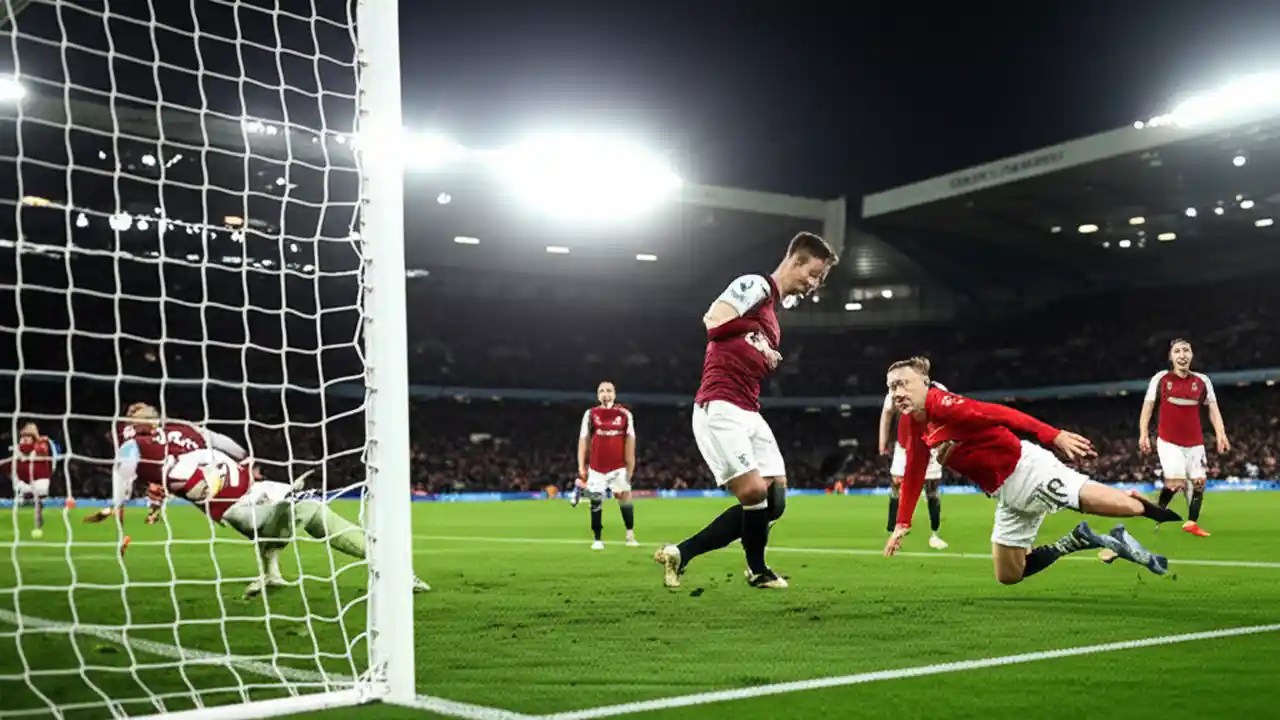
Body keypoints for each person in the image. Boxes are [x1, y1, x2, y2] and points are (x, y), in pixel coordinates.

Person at [883, 358, 1181, 584]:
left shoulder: (944, 405)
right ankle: (1077, 539)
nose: (897, 392)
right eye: (891, 386)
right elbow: (914, 469)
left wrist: (1054, 435)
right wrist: (902, 522)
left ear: (925, 382)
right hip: (1006, 493)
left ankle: (1137, 504)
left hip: (1027, 470)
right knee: (1009, 574)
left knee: (1121, 506)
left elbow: (1003, 413)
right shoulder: (911, 422)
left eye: (903, 383)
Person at [88, 402, 430, 597]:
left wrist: (245, 459)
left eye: (143, 407)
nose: (138, 410)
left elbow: (217, 438)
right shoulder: (135, 443)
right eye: (132, 410)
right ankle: (394, 572)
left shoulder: (181, 428)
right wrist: (115, 505)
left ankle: (270, 574)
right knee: (302, 509)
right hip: (233, 507)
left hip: (253, 488)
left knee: (315, 513)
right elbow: (130, 470)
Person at [654, 232, 838, 589]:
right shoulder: (755, 285)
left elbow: (743, 344)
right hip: (720, 405)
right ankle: (757, 570)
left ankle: (682, 552)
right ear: (796, 260)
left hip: (750, 410)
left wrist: (763, 352)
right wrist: (755, 335)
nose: (813, 285)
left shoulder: (774, 317)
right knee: (753, 493)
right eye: (813, 274)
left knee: (776, 500)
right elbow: (714, 322)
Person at [1137, 338, 1228, 537]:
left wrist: (1221, 434)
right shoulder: (1161, 379)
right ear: (1171, 357)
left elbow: (1213, 408)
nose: (1182, 355)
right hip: (1169, 441)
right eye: (1177, 351)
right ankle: (1157, 512)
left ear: (1192, 355)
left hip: (1195, 442)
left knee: (1199, 482)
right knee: (1176, 483)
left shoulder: (1202, 381)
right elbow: (1148, 406)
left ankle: (1192, 523)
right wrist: (1144, 433)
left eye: (1186, 350)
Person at [878, 363, 948, 549]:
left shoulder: (939, 390)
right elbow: (887, 414)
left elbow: (949, 415)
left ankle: (935, 533)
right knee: (897, 488)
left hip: (931, 444)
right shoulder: (897, 391)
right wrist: (882, 442)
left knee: (932, 491)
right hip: (905, 445)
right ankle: (893, 531)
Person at [575, 381, 638, 549]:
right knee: (595, 502)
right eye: (601, 391)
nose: (605, 393)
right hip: (596, 467)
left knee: (625, 499)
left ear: (614, 394)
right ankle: (597, 539)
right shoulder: (590, 414)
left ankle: (630, 534)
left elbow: (630, 441)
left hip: (618, 466)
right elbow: (583, 440)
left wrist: (630, 467)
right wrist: (581, 465)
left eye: (609, 390)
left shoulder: (625, 414)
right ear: (597, 395)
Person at [2, 422, 59, 537]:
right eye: (24, 436)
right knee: (11, 466)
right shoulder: (16, 450)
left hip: (39, 483)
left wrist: (37, 438)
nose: (25, 439)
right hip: (23, 484)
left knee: (40, 488)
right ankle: (25, 495)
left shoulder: (42, 445)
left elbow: (40, 450)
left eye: (28, 436)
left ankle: (34, 498)